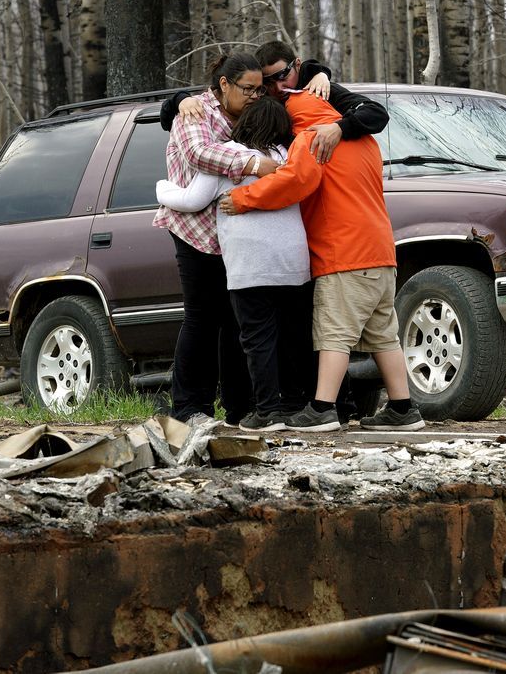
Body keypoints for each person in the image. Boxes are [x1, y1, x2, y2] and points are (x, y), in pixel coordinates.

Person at [219, 90, 425, 433]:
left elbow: (296, 181)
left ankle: (322, 409)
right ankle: (403, 409)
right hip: (381, 251)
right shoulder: (365, 142)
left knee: (334, 333)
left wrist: (243, 198)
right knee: (383, 334)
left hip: (343, 253)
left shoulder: (311, 139)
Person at [155, 97, 312, 432]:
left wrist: (162, 188)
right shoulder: (288, 155)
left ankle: (266, 410)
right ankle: (293, 403)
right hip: (294, 261)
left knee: (256, 337)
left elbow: (193, 199)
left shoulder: (231, 157)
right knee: (291, 334)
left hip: (250, 263)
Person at [162, 40, 389, 164]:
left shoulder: (319, 90)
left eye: (283, 75)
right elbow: (217, 98)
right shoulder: (257, 100)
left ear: (298, 65)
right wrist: (179, 100)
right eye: (268, 82)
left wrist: (339, 128)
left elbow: (377, 113)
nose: (278, 86)